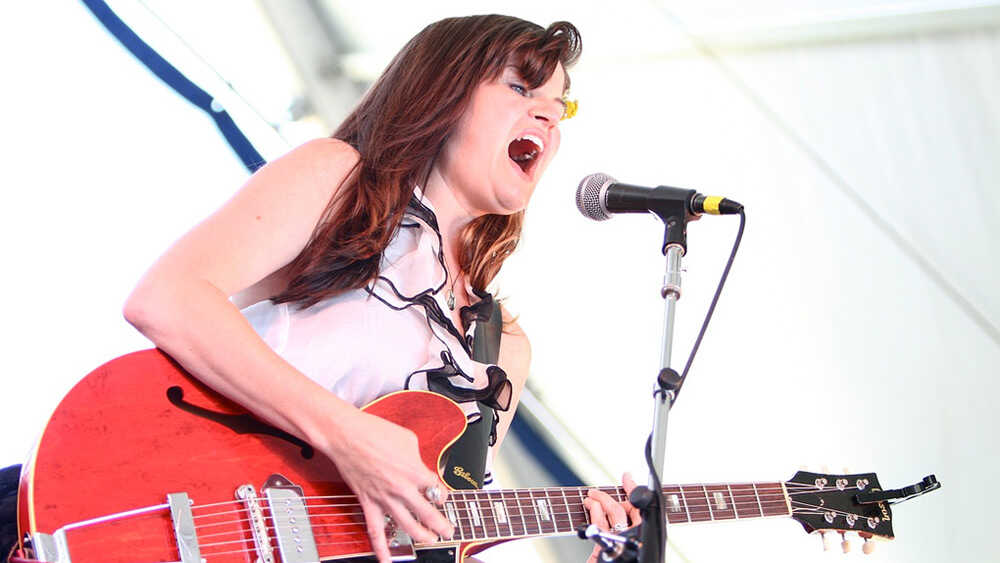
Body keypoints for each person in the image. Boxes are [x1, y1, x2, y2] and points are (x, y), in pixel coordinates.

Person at [122, 14, 635, 563]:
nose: (548, 117)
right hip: (180, 518)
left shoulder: (503, 347)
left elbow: (433, 536)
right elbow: (167, 297)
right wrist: (347, 436)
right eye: (521, 87)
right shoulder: (341, 182)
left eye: (561, 108)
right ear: (445, 88)